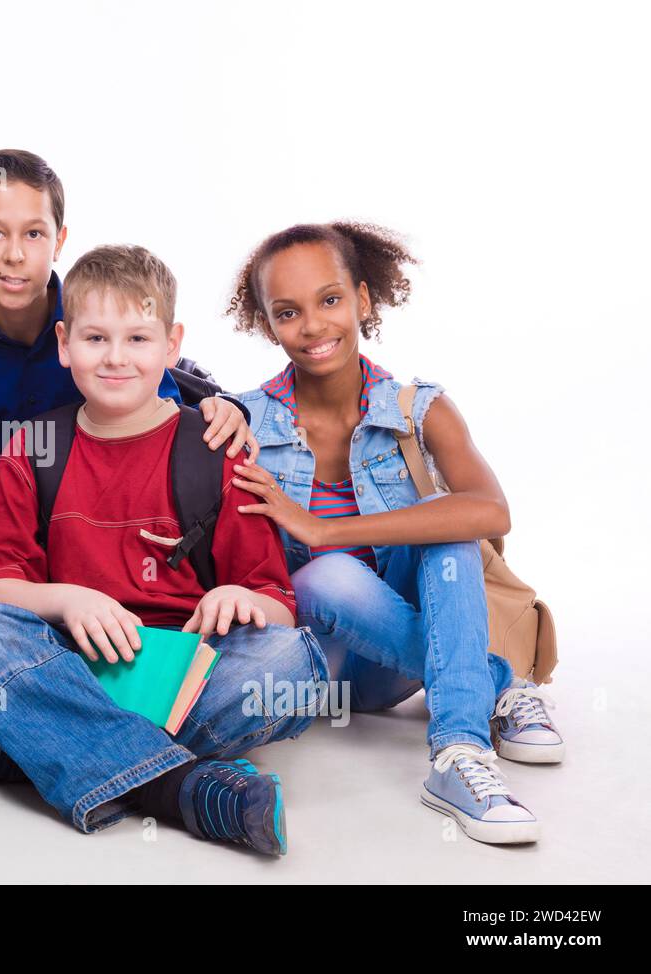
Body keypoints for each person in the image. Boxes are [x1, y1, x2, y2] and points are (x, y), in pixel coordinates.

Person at [0, 244, 328, 855]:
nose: (115, 358)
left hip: (184, 671)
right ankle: (180, 787)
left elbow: (277, 605)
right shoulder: (35, 445)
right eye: (95, 338)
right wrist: (66, 600)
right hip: (67, 659)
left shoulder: (213, 446)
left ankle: (16, 747)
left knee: (293, 663)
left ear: (171, 344)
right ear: (64, 343)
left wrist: (238, 597)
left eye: (138, 339)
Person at [227, 222, 563, 844]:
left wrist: (325, 529)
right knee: (324, 575)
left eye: (330, 300)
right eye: (288, 312)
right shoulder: (244, 419)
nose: (313, 326)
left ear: (363, 298)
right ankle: (496, 684)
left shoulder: (418, 408)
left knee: (452, 526)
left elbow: (492, 510)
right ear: (267, 323)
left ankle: (457, 755)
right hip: (317, 667)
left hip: (403, 658)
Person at [0, 148, 256, 486]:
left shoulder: (98, 320)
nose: (15, 254)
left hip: (93, 512)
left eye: (34, 234)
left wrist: (222, 406)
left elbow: (163, 416)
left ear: (59, 241)